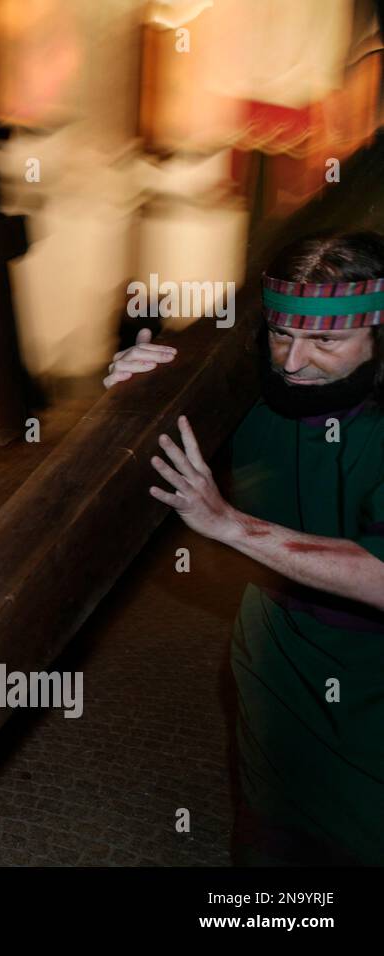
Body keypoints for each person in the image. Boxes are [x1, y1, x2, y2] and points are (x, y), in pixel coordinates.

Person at [105, 231, 384, 865]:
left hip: (373, 676)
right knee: (273, 845)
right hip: (276, 651)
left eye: (325, 342)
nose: (292, 361)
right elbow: (151, 470)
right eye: (282, 335)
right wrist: (134, 392)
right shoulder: (252, 386)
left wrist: (231, 525)